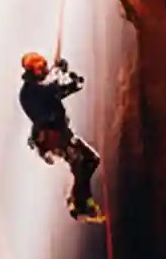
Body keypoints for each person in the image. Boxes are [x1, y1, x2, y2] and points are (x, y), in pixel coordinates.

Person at [18, 51, 104, 222]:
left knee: (89, 160)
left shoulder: (38, 87)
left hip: (60, 134)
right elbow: (52, 90)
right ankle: (81, 204)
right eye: (40, 67)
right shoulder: (30, 92)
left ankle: (79, 199)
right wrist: (60, 73)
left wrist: (70, 78)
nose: (44, 69)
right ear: (32, 70)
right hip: (53, 138)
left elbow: (63, 89)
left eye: (44, 66)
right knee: (82, 161)